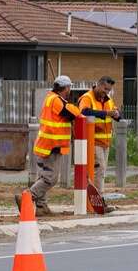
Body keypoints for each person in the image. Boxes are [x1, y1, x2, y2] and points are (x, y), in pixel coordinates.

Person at [27, 76, 110, 215]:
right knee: (50, 178)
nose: (70, 90)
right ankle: (28, 196)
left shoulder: (51, 98)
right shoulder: (56, 100)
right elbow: (74, 113)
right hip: (51, 146)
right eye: (69, 87)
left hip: (46, 145)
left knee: (44, 177)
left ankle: (41, 207)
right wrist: (73, 108)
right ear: (65, 88)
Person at [77, 76, 122, 186]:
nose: (106, 92)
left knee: (101, 171)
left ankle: (96, 194)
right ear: (98, 85)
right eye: (105, 89)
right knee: (99, 170)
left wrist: (117, 114)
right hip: (93, 141)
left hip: (105, 142)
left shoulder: (108, 99)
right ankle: (97, 194)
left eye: (109, 90)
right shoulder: (87, 97)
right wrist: (106, 113)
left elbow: (116, 112)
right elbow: (84, 112)